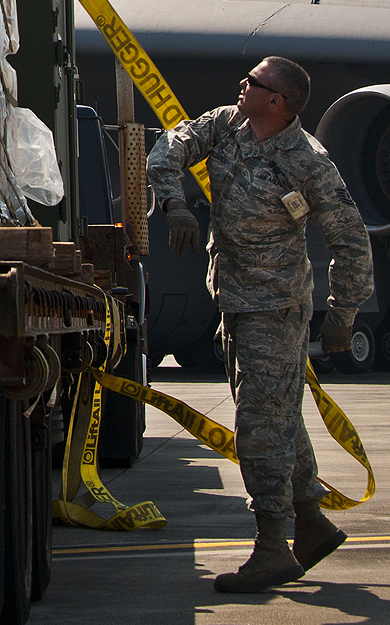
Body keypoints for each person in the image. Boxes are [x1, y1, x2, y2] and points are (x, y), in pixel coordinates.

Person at [147, 55, 373, 592]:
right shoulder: (228, 125)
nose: (241, 85)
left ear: (279, 101)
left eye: (254, 82)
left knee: (259, 428)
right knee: (280, 418)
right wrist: (175, 204)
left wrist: (343, 314)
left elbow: (350, 239)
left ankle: (273, 546)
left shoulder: (308, 162)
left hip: (275, 309)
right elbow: (170, 146)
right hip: (236, 302)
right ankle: (311, 523)